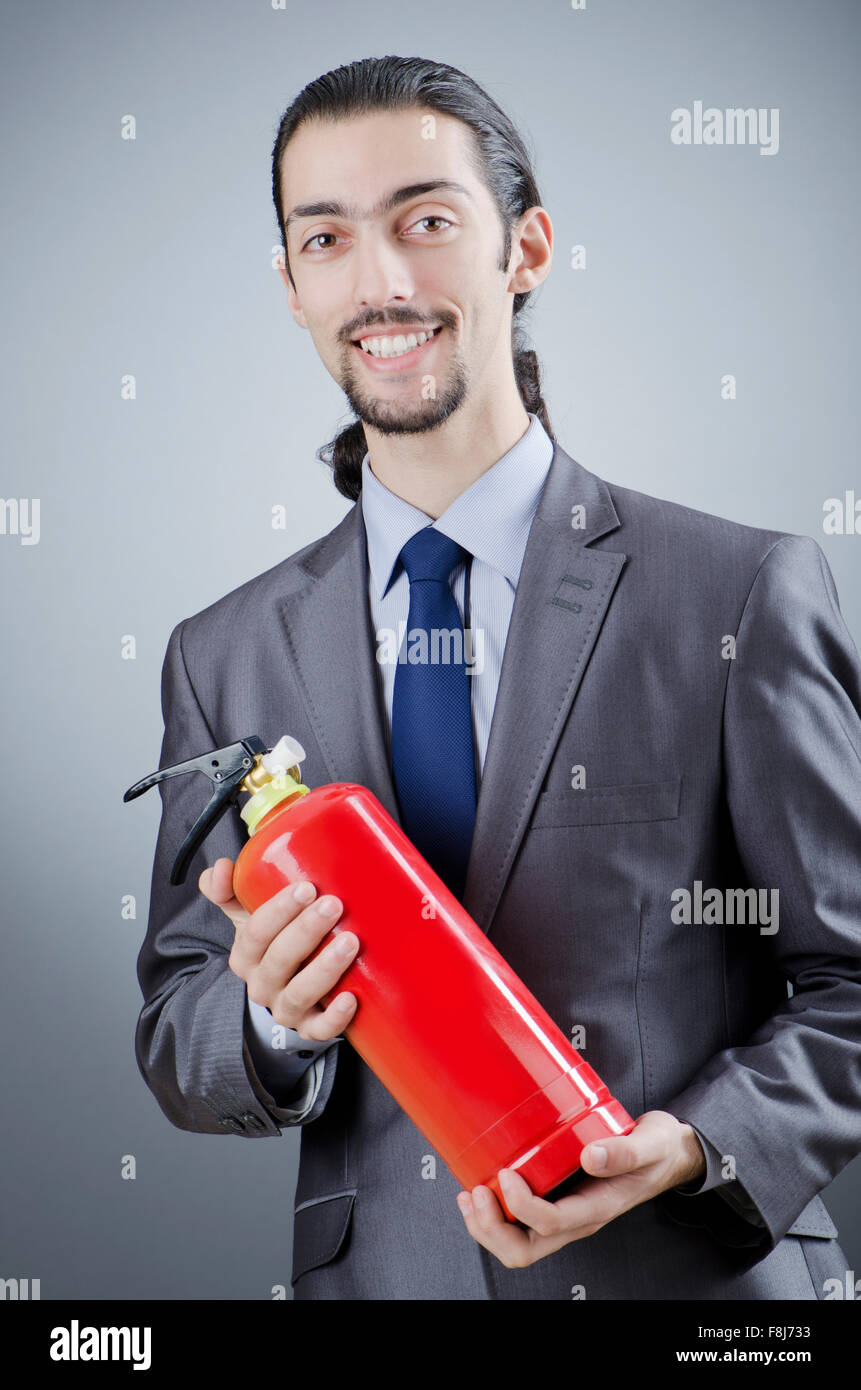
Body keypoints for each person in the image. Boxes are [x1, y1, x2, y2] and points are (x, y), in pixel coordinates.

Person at [136, 55, 861, 1300]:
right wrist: (273, 1020)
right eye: (327, 238)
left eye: (428, 221)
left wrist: (698, 1147)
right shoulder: (224, 652)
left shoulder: (737, 594)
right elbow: (177, 1027)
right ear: (293, 285)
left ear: (524, 247)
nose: (382, 282)